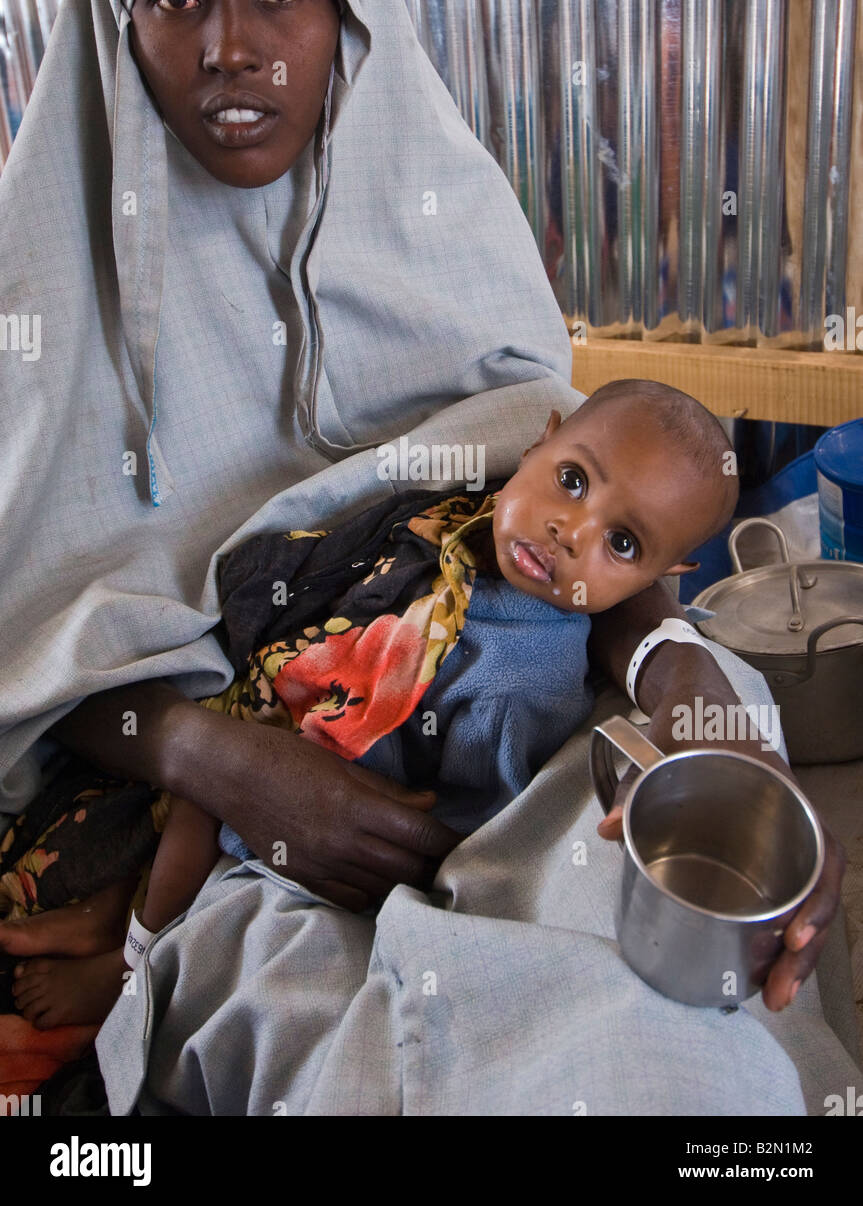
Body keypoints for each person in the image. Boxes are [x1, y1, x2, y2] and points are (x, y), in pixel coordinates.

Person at [0, 0, 850, 1114]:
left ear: (348, 10)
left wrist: (691, 689)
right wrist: (217, 759)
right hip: (246, 844)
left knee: (679, 1016)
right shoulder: (50, 320)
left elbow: (600, 552)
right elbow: (38, 664)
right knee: (419, 1053)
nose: (232, 48)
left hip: (523, 745)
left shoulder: (442, 234)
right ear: (120, 18)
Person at [6, 378, 741, 1026]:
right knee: (199, 766)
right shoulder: (461, 522)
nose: (568, 531)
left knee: (210, 795)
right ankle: (114, 910)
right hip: (284, 715)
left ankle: (130, 965)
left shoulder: (525, 680)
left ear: (662, 576)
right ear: (538, 442)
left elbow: (474, 832)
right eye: (573, 481)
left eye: (620, 542)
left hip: (331, 826)